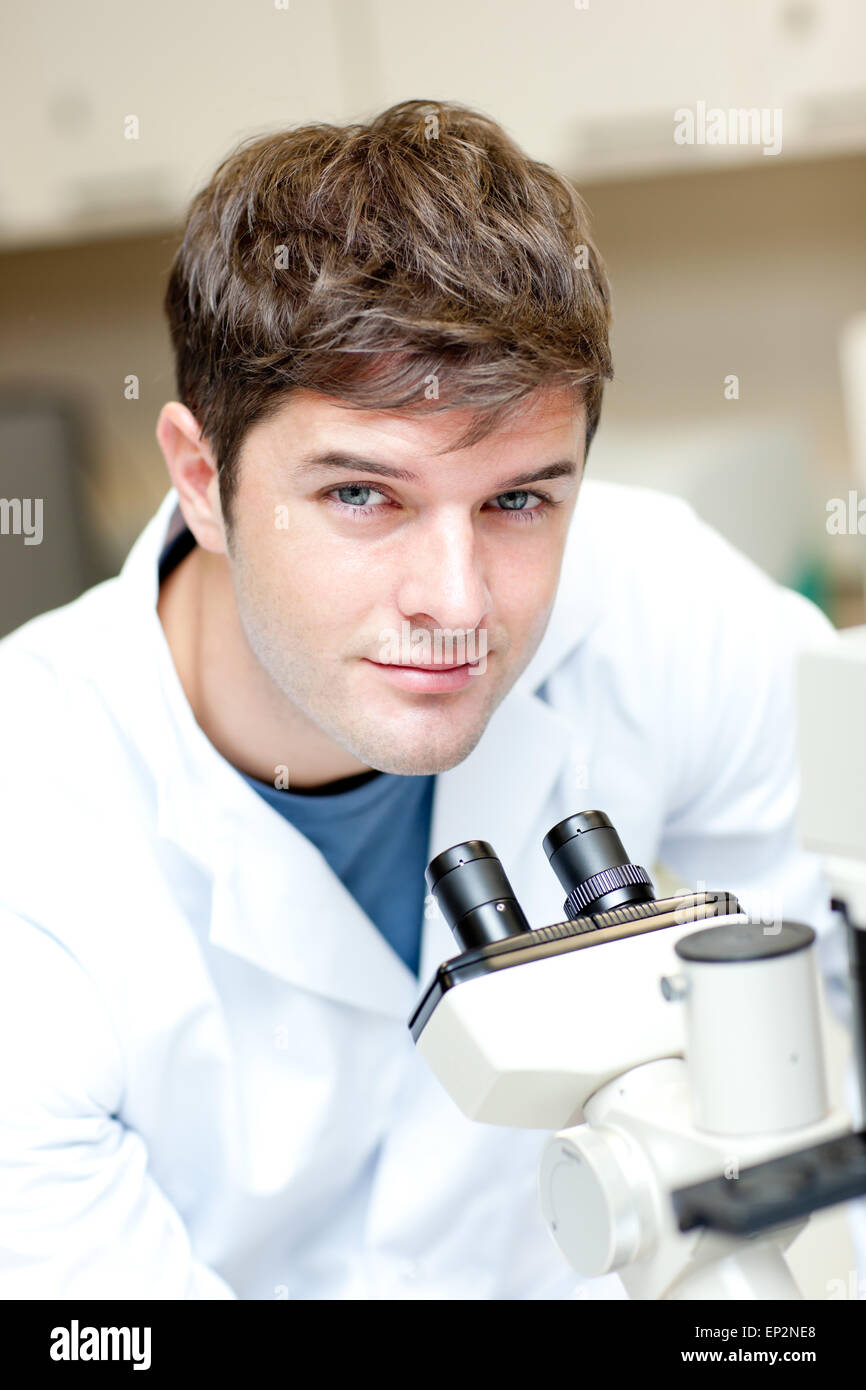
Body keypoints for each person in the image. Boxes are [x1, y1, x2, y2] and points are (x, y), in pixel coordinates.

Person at [0, 99, 853, 1300]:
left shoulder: (665, 610)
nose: (456, 601)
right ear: (200, 477)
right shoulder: (30, 827)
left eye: (517, 500)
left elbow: (822, 963)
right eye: (362, 495)